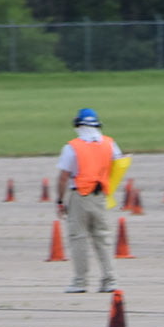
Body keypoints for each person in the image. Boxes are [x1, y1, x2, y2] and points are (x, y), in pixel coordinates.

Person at [55, 108, 123, 293]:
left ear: (78, 125)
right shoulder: (109, 144)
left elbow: (63, 177)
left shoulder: (72, 147)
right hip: (100, 196)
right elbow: (119, 165)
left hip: (79, 196)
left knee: (78, 238)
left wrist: (59, 200)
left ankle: (80, 281)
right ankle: (110, 280)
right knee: (103, 239)